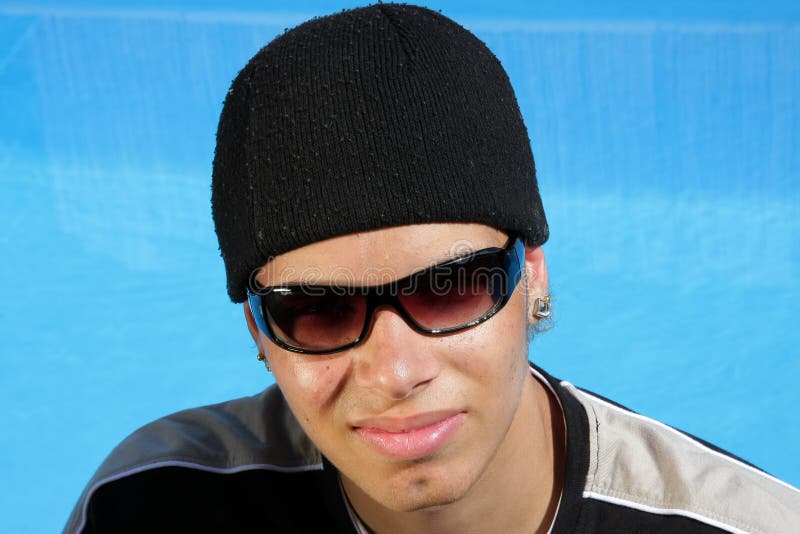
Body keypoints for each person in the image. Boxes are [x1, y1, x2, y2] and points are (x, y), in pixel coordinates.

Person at [65, 4, 799, 533]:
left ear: (533, 275)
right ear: (259, 331)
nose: (395, 372)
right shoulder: (147, 508)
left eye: (450, 289)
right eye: (319, 311)